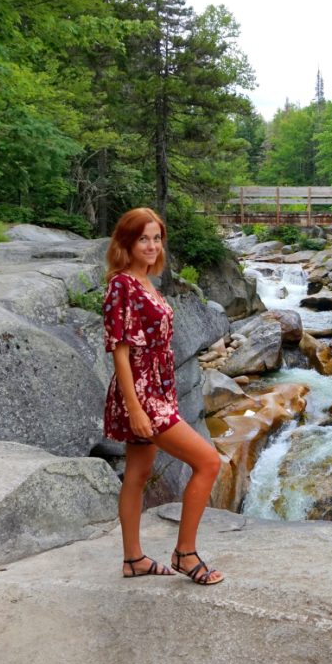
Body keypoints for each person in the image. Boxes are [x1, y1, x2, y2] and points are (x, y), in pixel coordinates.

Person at [102, 207, 225, 585]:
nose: (152, 245)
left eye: (157, 238)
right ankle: (185, 554)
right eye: (143, 238)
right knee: (208, 462)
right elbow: (120, 350)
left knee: (137, 474)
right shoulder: (122, 285)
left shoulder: (146, 282)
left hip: (158, 390)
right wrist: (136, 408)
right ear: (126, 242)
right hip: (143, 395)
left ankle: (133, 559)